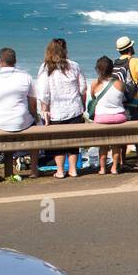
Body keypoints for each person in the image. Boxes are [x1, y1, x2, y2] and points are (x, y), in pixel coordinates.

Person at [0, 47, 39, 184]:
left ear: (0, 61)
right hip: (21, 121)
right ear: (15, 61)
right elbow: (33, 103)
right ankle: (34, 169)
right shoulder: (26, 76)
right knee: (36, 131)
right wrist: (33, 115)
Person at [35, 38, 87, 179]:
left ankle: (60, 170)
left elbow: (43, 93)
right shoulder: (74, 66)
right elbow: (82, 88)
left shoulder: (46, 68)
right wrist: (83, 106)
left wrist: (44, 110)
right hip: (74, 109)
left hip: (55, 111)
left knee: (58, 142)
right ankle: (73, 170)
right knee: (73, 142)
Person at [114, 34, 138, 172]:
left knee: (123, 133)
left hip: (120, 102)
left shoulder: (115, 63)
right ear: (130, 47)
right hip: (135, 103)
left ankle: (122, 162)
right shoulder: (135, 61)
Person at [90, 55, 127, 175]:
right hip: (119, 117)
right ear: (112, 69)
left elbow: (93, 98)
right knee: (116, 143)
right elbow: (124, 97)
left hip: (101, 117)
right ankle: (114, 168)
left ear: (98, 69)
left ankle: (102, 168)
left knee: (103, 145)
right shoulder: (120, 84)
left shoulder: (95, 84)